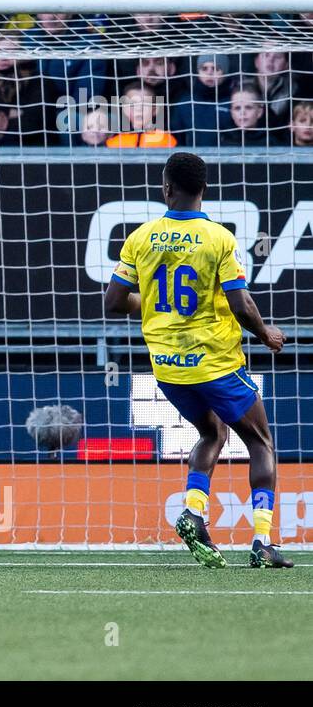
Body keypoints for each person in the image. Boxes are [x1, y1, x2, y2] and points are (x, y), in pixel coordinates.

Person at [104, 151, 292, 569]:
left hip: (168, 368)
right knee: (260, 442)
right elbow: (240, 303)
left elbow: (114, 301)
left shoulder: (141, 237)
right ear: (203, 190)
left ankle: (193, 511)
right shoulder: (219, 238)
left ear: (166, 188)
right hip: (216, 364)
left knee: (212, 434)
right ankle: (262, 542)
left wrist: (149, 300)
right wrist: (266, 334)